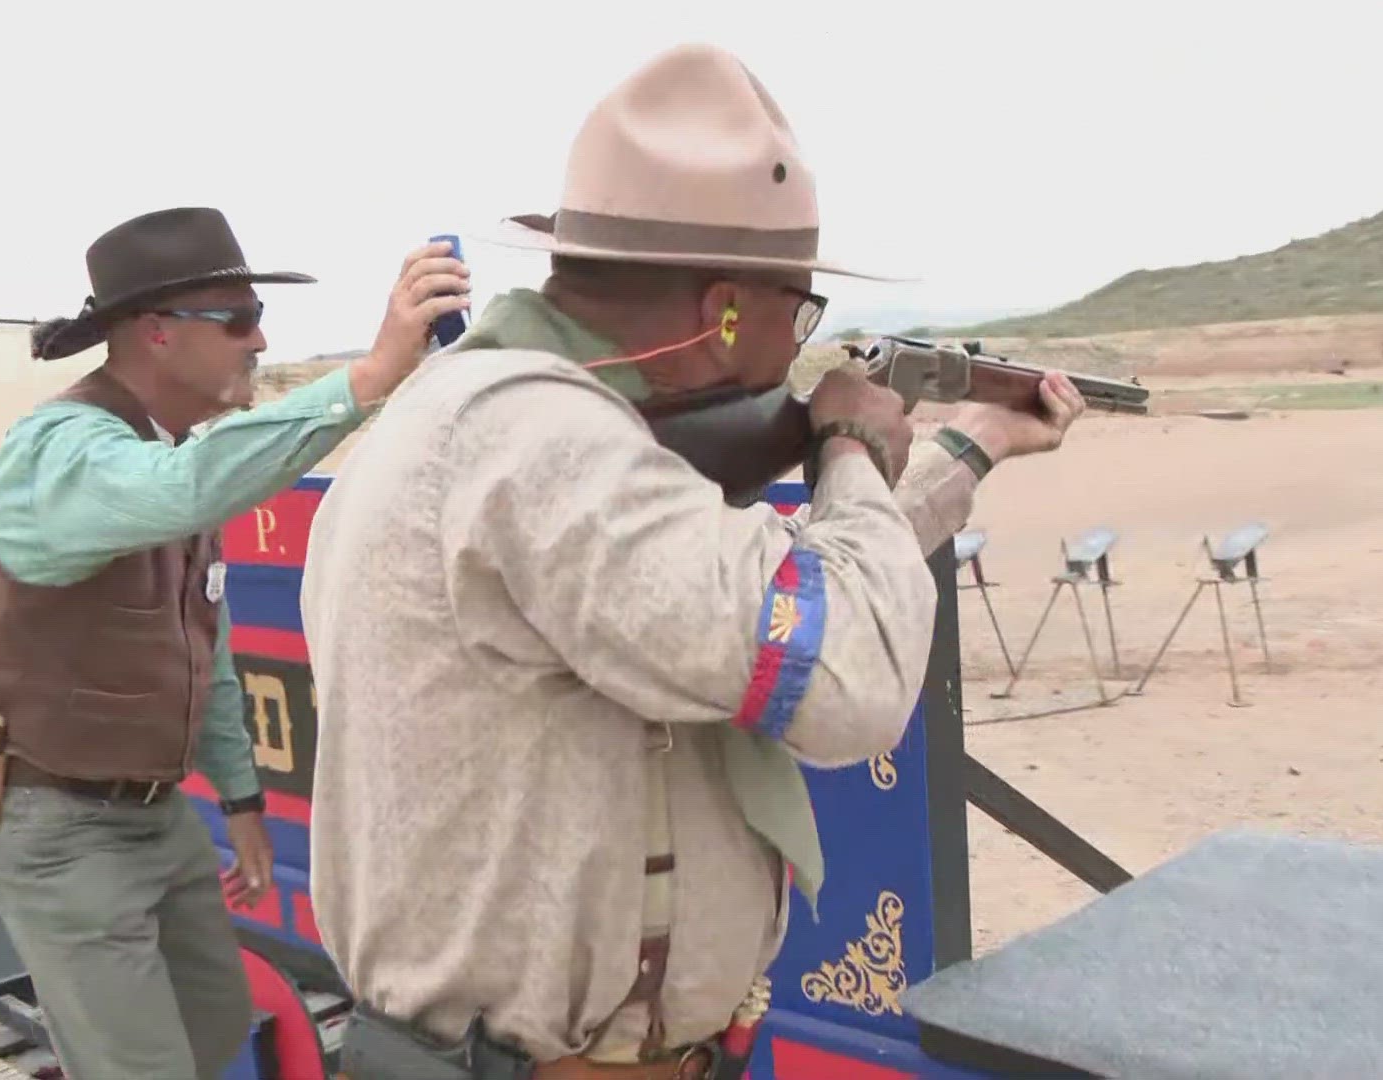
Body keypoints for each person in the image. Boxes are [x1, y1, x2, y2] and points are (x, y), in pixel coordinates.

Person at [301, 44, 1086, 1080]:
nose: (800, 341)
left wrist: (967, 447)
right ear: (723, 309)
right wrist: (846, 445)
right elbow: (846, 668)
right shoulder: (543, 444)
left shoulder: (498, 421)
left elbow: (753, 590)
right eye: (798, 311)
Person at [0, 205, 469, 1080]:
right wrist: (373, 374)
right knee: (140, 1065)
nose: (259, 342)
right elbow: (181, 491)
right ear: (155, 333)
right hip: (56, 820)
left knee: (221, 1026)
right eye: (239, 320)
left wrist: (241, 802)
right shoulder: (62, 451)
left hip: (152, 814)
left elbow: (204, 647)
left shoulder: (170, 453)